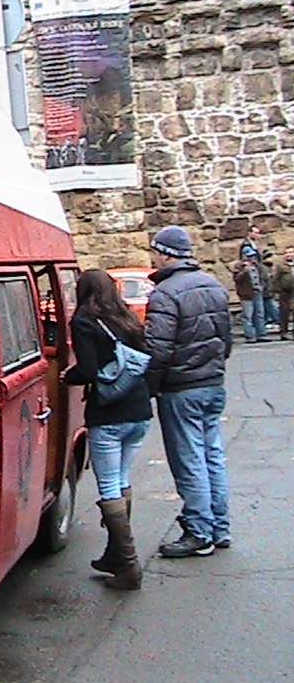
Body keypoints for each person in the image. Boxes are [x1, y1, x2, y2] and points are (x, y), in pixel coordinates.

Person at [61, 269, 152, 590]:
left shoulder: (84, 322)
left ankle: (129, 567)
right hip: (138, 410)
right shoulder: (126, 316)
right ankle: (115, 555)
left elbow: (87, 369)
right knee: (123, 480)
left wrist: (65, 377)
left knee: (110, 484)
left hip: (109, 413)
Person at [145, 226, 233, 558]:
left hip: (182, 388)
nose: (154, 256)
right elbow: (225, 340)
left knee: (190, 460)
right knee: (212, 457)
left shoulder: (166, 294)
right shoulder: (213, 285)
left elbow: (158, 350)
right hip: (212, 383)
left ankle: (199, 531)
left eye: (155, 251)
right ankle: (219, 527)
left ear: (165, 253)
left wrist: (150, 388)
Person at [232, 227, 268, 342]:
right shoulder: (239, 266)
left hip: (257, 290)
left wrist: (263, 285)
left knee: (259, 314)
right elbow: (237, 279)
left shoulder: (257, 265)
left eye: (252, 256)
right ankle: (250, 336)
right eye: (248, 256)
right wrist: (244, 271)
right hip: (246, 293)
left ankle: (261, 334)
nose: (251, 258)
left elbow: (262, 276)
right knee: (248, 315)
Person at [272, 247, 294, 340]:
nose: (289, 254)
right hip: (285, 292)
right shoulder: (281, 266)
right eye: (287, 252)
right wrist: (277, 290)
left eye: (291, 252)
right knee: (284, 313)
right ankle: (283, 332)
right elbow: (276, 279)